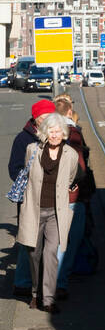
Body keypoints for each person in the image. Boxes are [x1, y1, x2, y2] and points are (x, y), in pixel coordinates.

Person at [16, 111, 79, 314]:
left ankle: (48, 299)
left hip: (56, 213)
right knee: (34, 253)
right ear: (44, 132)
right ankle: (35, 293)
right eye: (51, 131)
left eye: (58, 131)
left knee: (51, 253)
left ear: (64, 133)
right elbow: (27, 174)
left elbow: (70, 179)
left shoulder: (71, 155)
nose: (55, 135)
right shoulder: (31, 149)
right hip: (34, 210)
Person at [10, 99, 57, 297]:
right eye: (45, 118)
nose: (49, 122)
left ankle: (44, 286)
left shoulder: (57, 137)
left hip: (52, 200)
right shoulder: (23, 139)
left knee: (50, 245)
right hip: (30, 200)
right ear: (36, 119)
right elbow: (14, 169)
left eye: (51, 118)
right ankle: (22, 282)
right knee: (28, 243)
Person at [53, 95, 95, 298]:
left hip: (53, 198)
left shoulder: (45, 134)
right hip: (72, 198)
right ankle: (58, 282)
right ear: (69, 112)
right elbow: (81, 170)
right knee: (69, 241)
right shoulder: (74, 135)